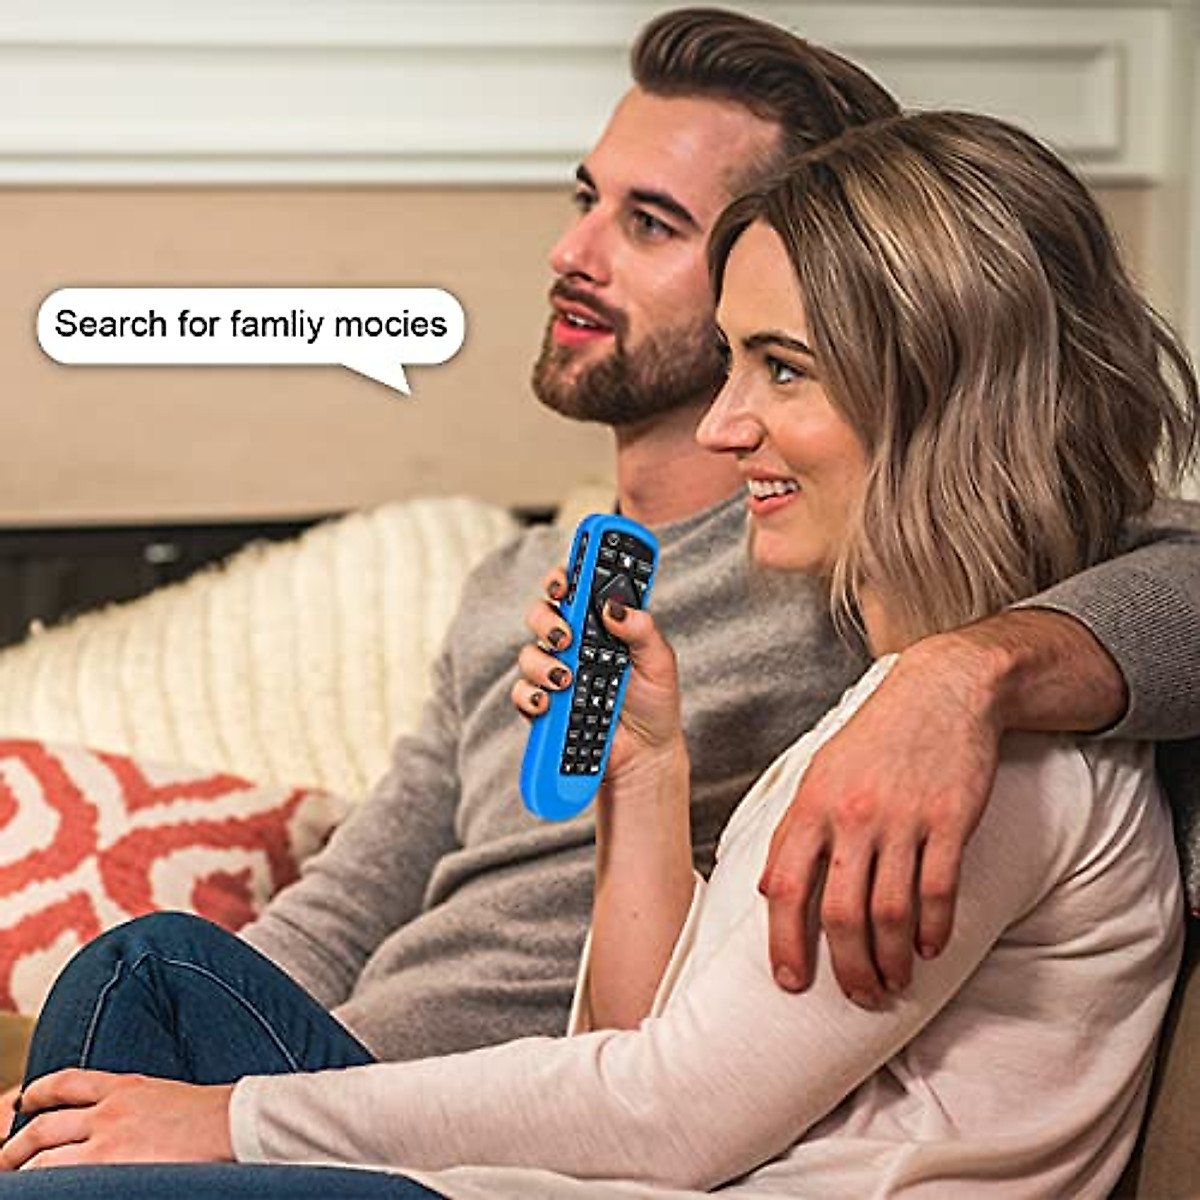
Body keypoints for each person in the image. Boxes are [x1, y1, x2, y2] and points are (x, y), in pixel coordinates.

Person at [5, 1, 1200, 1110]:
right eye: (587, 199)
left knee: (138, 974)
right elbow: (350, 905)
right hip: (345, 1087)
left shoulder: (848, 556)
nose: (573, 252)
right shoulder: (515, 587)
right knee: (144, 988)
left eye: (649, 224)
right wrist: (190, 1086)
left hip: (528, 1112)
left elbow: (1178, 574)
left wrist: (960, 677)